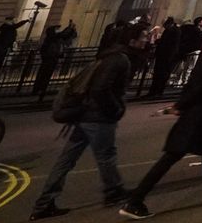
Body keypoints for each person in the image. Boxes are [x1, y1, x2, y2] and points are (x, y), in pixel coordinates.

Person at [118, 18, 202, 218]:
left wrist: (184, 103)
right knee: (174, 154)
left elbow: (199, 77)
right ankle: (135, 200)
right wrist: (182, 104)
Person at [31, 24, 138, 218]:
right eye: (144, 36)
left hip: (85, 114)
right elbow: (100, 89)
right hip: (98, 117)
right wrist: (116, 109)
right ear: (132, 40)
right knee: (106, 155)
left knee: (67, 159)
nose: (148, 39)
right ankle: (113, 191)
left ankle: (44, 203)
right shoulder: (119, 59)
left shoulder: (107, 56)